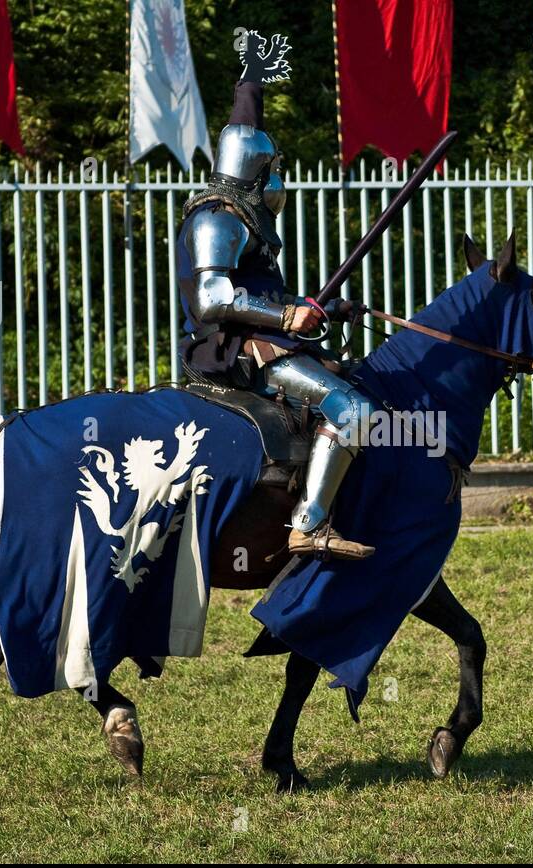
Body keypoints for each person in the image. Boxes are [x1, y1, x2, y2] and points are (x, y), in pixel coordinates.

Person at [177, 32, 374, 560]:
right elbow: (214, 298)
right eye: (273, 171)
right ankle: (307, 524)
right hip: (236, 352)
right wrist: (287, 316)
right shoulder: (218, 217)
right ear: (255, 172)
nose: (279, 181)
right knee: (352, 408)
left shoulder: (238, 217)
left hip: (264, 341)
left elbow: (260, 292)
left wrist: (323, 309)